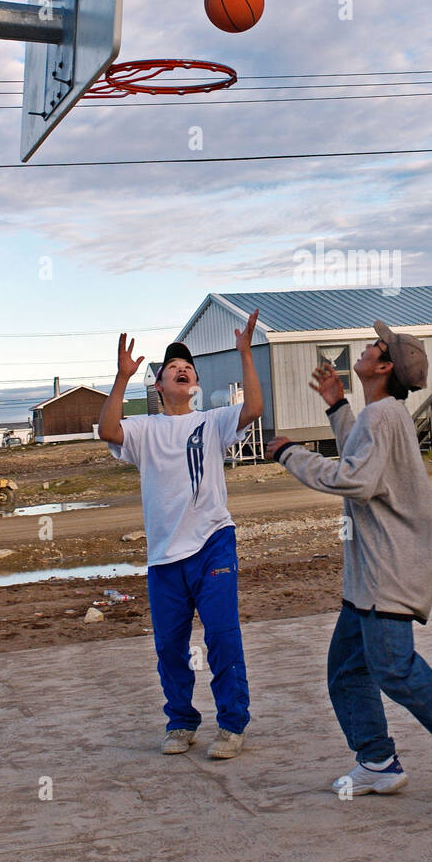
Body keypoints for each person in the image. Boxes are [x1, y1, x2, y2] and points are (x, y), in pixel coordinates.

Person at [265, 320, 432, 823]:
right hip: (370, 572)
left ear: (385, 366)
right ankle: (377, 762)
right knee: (347, 671)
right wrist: (337, 405)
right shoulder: (378, 414)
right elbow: (363, 459)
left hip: (388, 569)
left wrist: (289, 454)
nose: (364, 349)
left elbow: (354, 479)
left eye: (373, 346)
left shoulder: (384, 416)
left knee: (395, 670)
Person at [98, 314, 263, 758]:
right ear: (159, 385)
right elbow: (108, 430)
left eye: (188, 367)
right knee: (170, 646)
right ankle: (181, 722)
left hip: (213, 542)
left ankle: (232, 725)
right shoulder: (144, 430)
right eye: (173, 367)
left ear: (194, 383)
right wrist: (120, 378)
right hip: (165, 556)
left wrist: (246, 354)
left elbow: (253, 410)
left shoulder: (212, 422)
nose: (182, 369)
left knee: (222, 636)